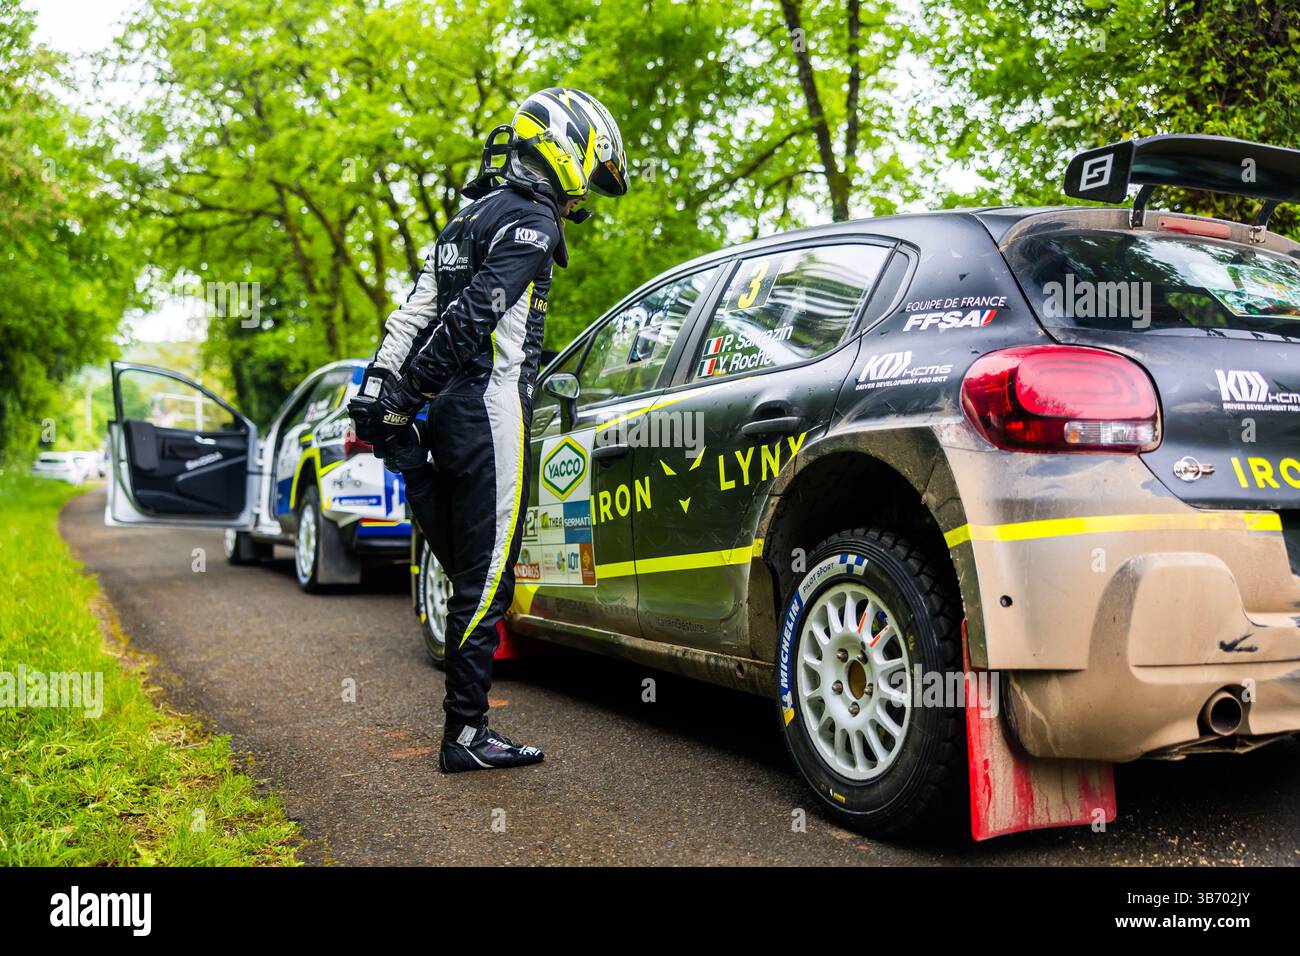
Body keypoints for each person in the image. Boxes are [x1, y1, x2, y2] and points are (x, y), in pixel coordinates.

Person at [348, 88, 628, 773]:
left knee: (465, 563)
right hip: (491, 408)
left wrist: (381, 391)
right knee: (488, 581)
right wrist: (406, 394)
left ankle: (410, 462)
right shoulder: (532, 223)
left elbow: (412, 313)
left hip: (451, 413)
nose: (582, 196)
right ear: (566, 149)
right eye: (588, 175)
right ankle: (466, 734)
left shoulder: (466, 219)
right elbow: (474, 314)